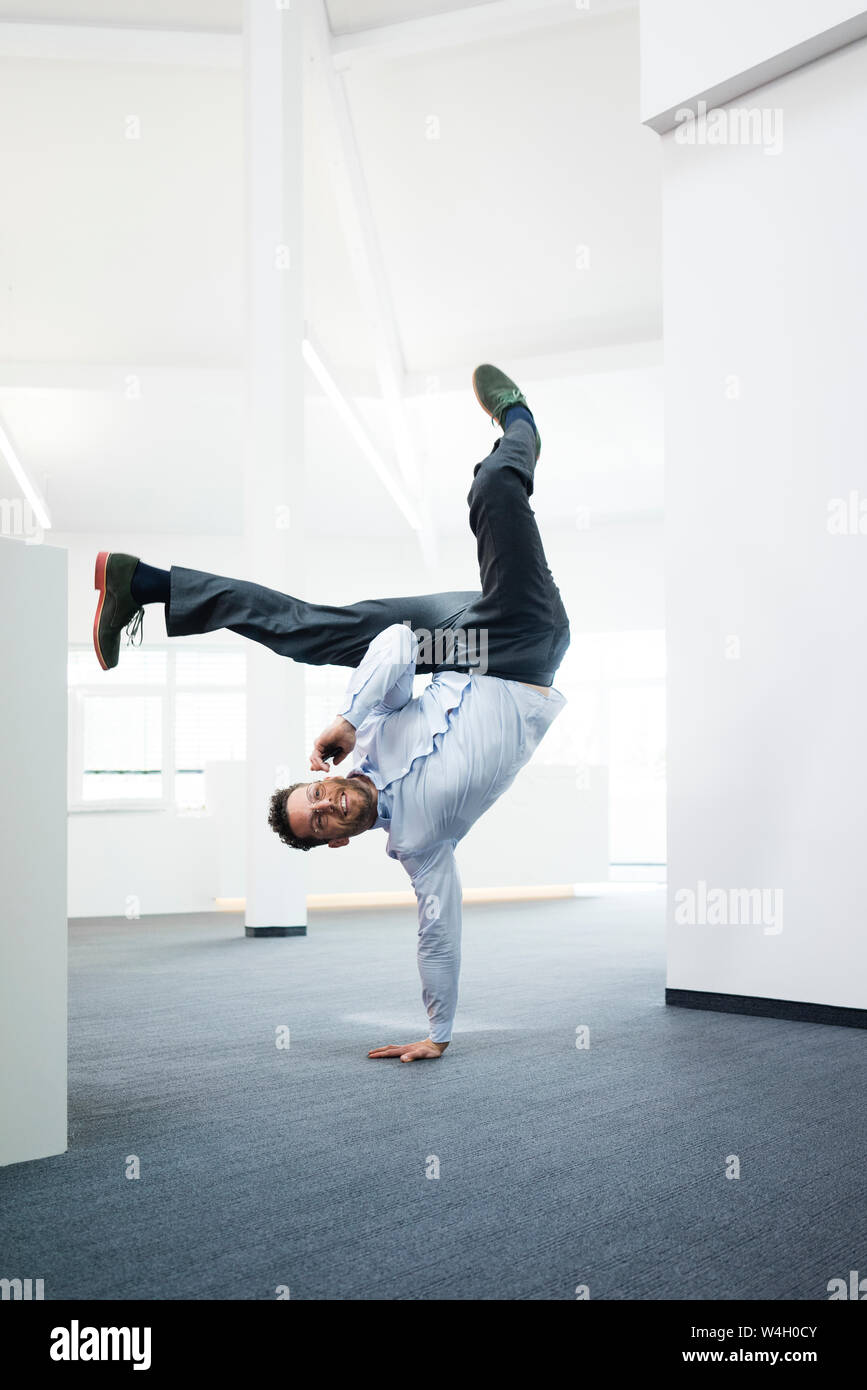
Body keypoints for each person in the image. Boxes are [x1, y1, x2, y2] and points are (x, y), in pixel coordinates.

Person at [93, 364, 570, 1062]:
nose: (325, 806)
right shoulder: (420, 844)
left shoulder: (369, 733)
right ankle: (522, 422)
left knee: (310, 630)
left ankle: (144, 582)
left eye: (312, 795)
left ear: (318, 778)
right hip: (526, 649)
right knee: (494, 491)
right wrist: (438, 1033)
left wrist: (351, 717)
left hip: (462, 643)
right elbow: (438, 927)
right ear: (338, 841)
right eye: (319, 822)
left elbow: (399, 645)